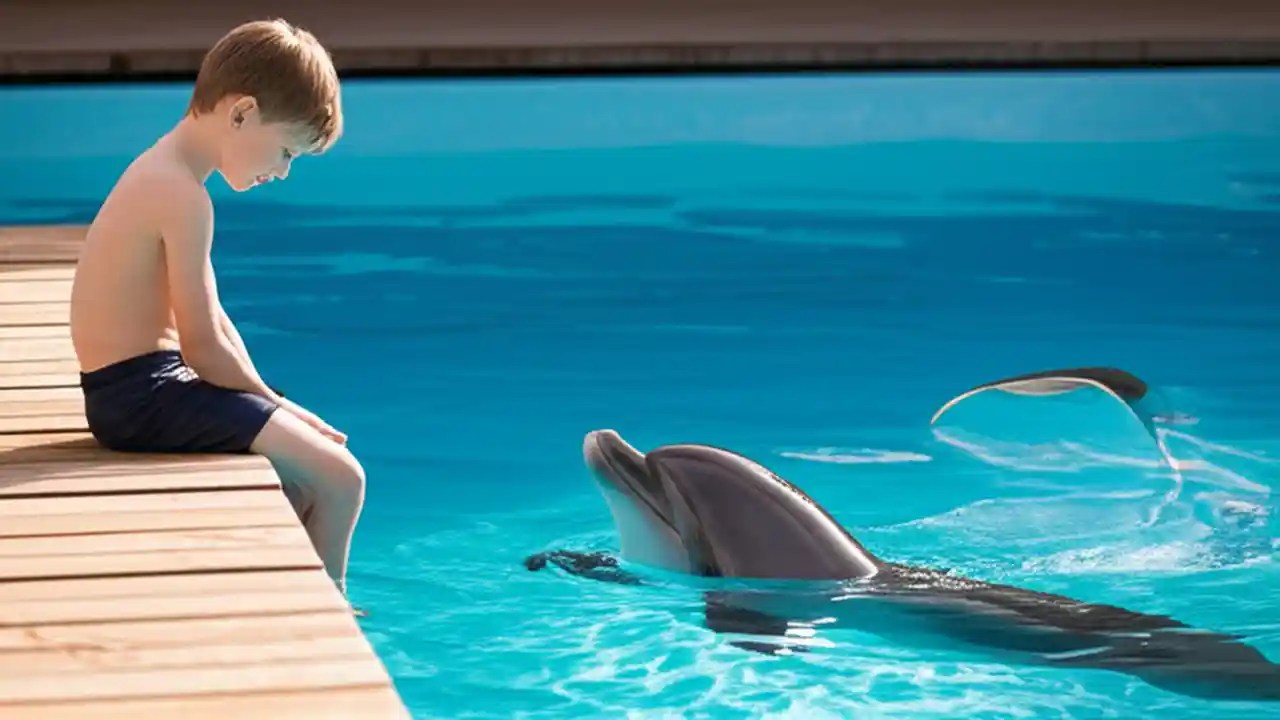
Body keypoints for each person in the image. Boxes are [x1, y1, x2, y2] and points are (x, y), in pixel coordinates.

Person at [69, 18, 365, 600]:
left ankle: (287, 591)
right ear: (240, 114)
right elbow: (202, 349)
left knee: (304, 475)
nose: (281, 171)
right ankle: (332, 607)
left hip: (131, 391)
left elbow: (215, 323)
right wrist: (276, 404)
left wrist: (274, 405)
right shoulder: (182, 197)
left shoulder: (166, 173)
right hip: (142, 399)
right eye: (285, 150)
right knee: (341, 478)